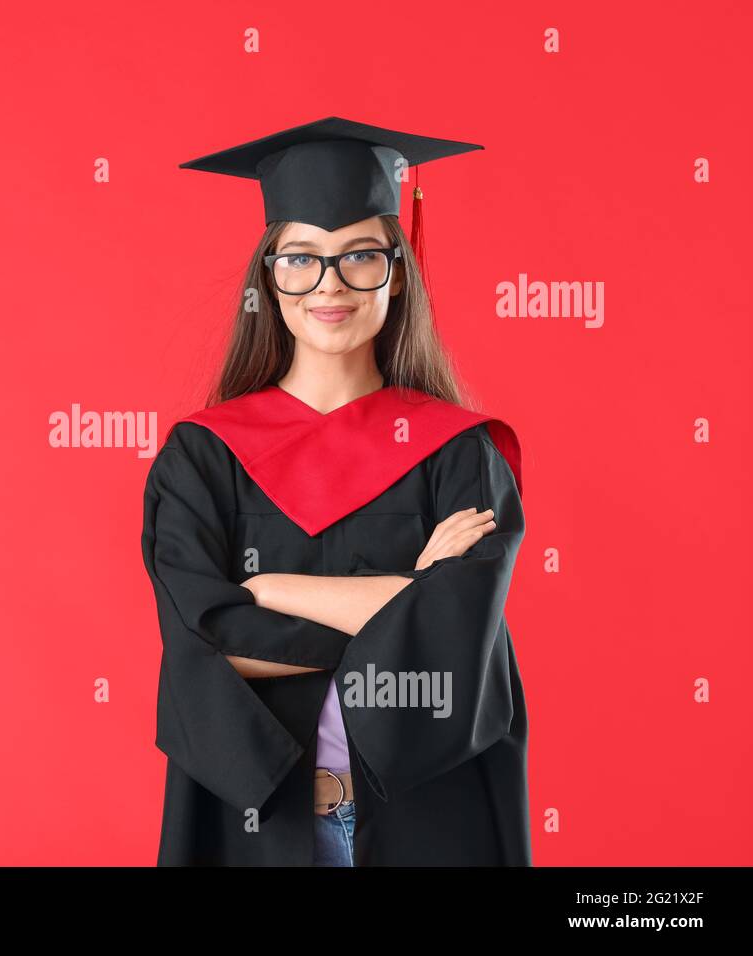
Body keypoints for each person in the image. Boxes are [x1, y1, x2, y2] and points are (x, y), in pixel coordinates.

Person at [140, 117, 531, 866]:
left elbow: (457, 656)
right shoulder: (204, 458)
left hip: (426, 819)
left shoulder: (460, 453)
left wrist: (267, 588)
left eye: (359, 257)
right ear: (268, 276)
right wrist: (413, 599)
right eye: (301, 260)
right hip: (258, 821)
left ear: (397, 267)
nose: (330, 285)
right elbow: (197, 644)